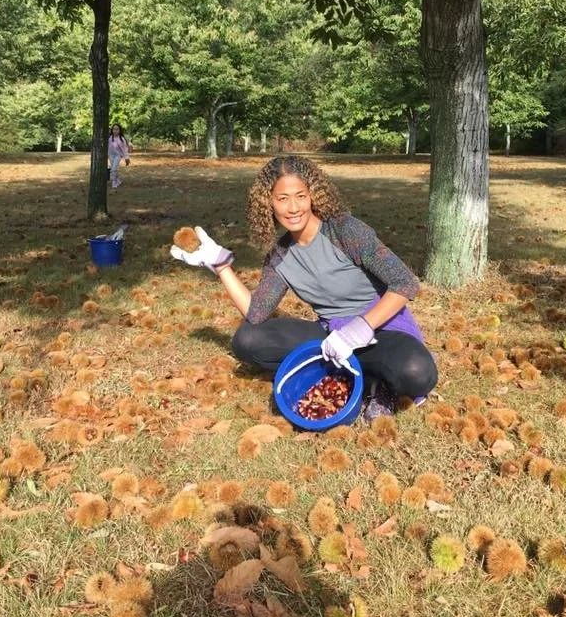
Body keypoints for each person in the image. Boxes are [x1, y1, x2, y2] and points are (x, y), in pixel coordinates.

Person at [170, 155, 437, 421]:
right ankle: (367, 377)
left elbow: (405, 282)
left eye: (301, 196)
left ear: (313, 196)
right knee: (247, 340)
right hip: (331, 334)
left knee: (417, 371)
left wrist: (358, 331)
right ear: (268, 203)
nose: (293, 207)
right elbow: (256, 313)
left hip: (382, 328)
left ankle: (374, 379)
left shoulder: (344, 231)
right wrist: (222, 267)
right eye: (282, 198)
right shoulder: (280, 256)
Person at [108, 123, 131, 189]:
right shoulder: (109, 138)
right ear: (112, 130)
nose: (115, 131)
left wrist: (127, 158)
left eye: (117, 129)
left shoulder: (121, 139)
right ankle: (118, 180)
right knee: (114, 169)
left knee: (114, 169)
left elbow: (124, 150)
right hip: (110, 155)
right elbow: (107, 148)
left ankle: (114, 183)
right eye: (114, 129)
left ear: (120, 130)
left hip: (117, 156)